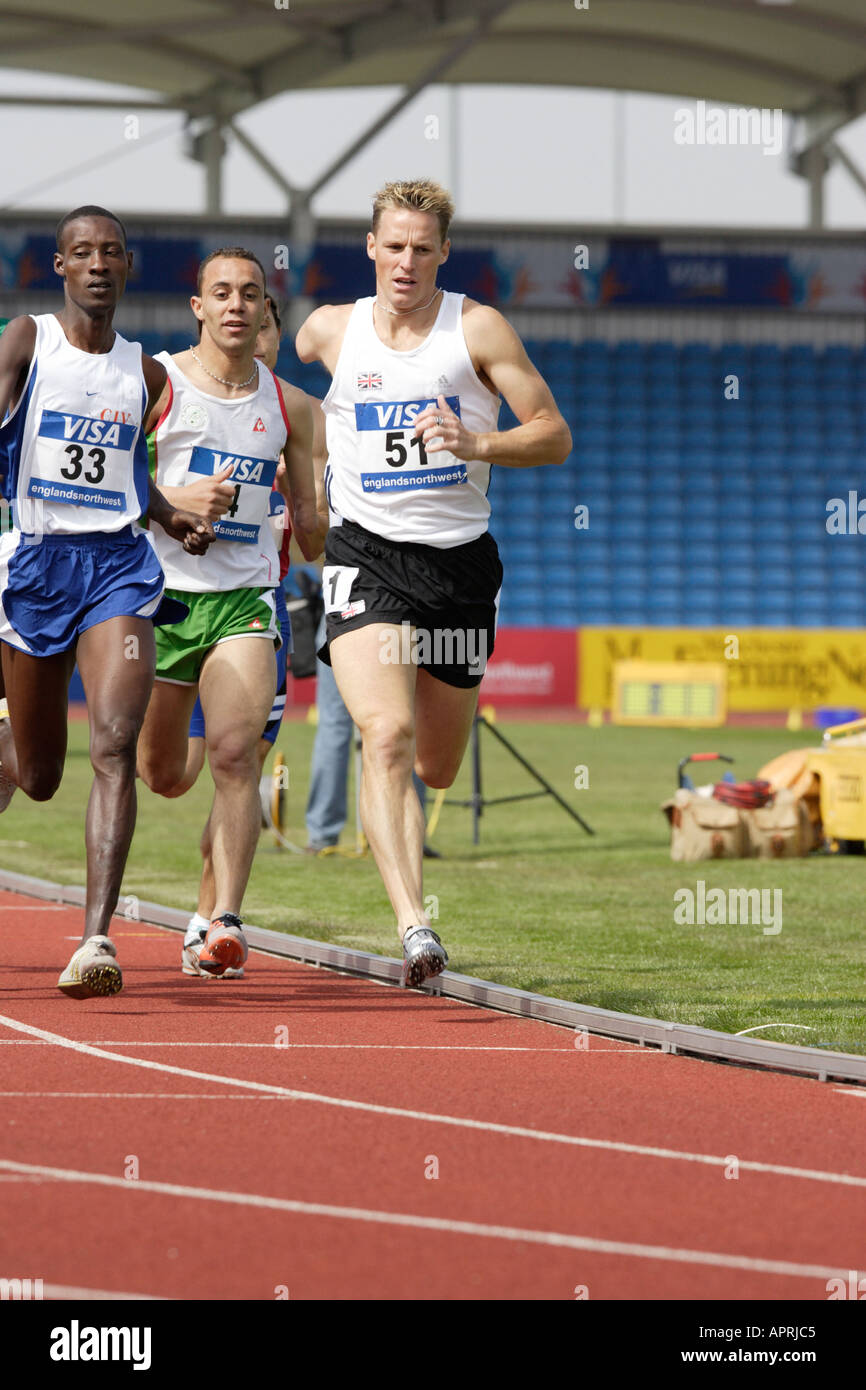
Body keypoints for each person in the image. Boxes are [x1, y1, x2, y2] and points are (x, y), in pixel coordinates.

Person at [296, 178, 571, 985]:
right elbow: (297, 410)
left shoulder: (476, 328)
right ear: (371, 248)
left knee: (438, 765)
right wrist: (305, 490)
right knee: (384, 735)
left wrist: (474, 444)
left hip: (457, 566)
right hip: (363, 557)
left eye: (423, 247)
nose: (406, 261)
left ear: (443, 252)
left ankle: (414, 884)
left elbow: (553, 436)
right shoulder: (327, 331)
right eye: (394, 245)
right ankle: (416, 927)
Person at [0, 205, 213, 999]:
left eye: (111, 252)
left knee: (114, 745)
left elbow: (127, 471)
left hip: (118, 568)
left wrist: (168, 516)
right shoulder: (28, 341)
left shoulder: (146, 374)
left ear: (127, 267)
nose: (97, 263)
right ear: (59, 266)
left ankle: (95, 941)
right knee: (40, 772)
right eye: (81, 252)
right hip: (37, 567)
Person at [136, 247, 324, 979]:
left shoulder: (290, 407)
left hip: (245, 601)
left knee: (236, 756)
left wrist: (335, 518)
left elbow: (313, 529)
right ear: (200, 307)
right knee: (163, 774)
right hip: (158, 598)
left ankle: (226, 920)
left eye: (251, 292)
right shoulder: (156, 381)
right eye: (223, 292)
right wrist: (175, 503)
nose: (238, 304)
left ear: (264, 306)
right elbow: (111, 483)